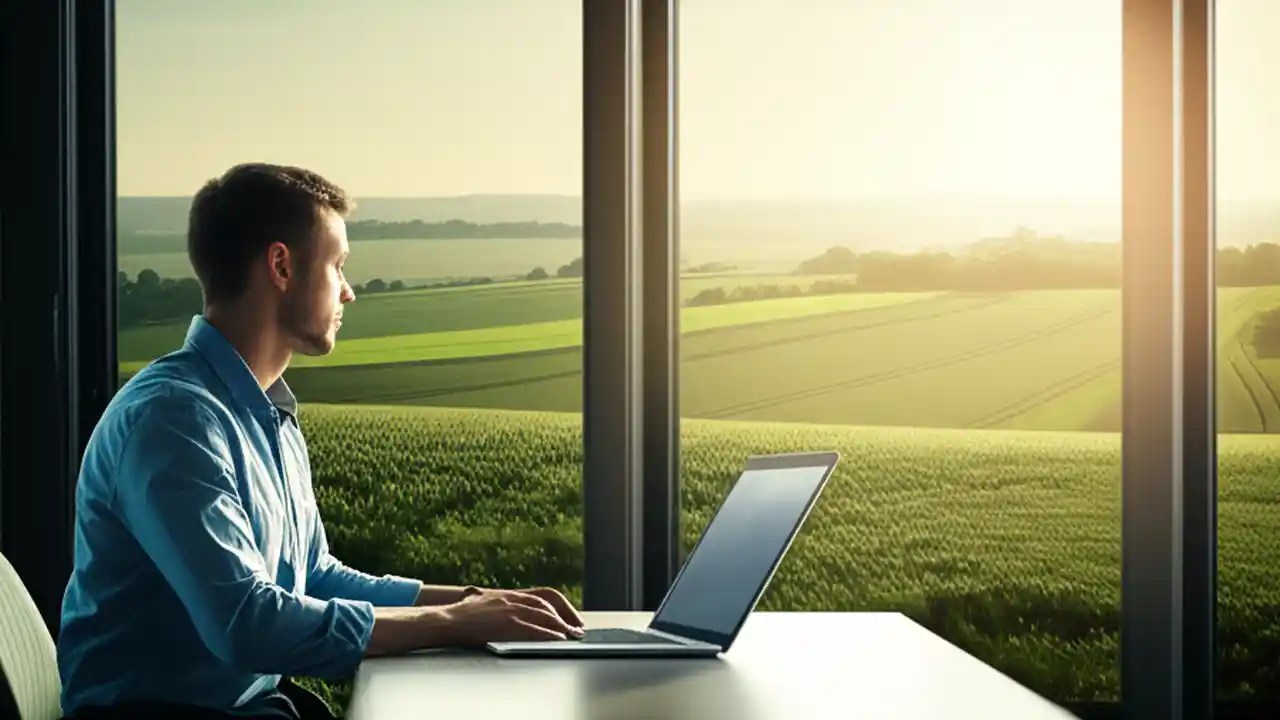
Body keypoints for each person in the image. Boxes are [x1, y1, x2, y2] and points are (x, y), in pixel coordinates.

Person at [57, 163, 586, 720]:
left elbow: (311, 576)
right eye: (337, 266)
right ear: (281, 265)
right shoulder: (172, 421)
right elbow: (247, 624)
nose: (349, 292)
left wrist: (469, 602)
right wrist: (453, 624)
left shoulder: (266, 414)